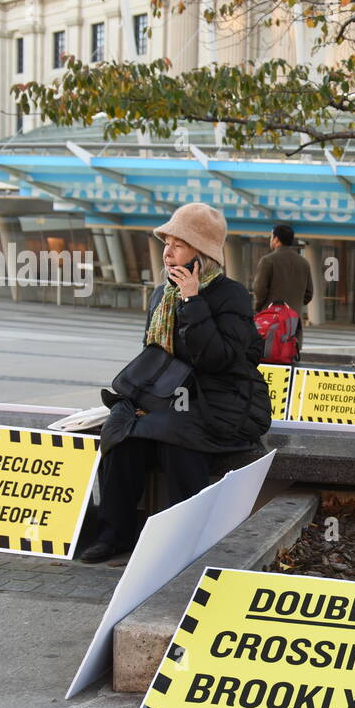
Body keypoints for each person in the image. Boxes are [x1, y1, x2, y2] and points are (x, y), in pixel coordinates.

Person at [81, 203, 272, 563]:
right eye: (166, 243)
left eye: (178, 245)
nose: (167, 252)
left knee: (177, 441)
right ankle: (115, 535)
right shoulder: (161, 294)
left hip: (222, 399)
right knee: (122, 436)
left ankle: (184, 541)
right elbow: (153, 353)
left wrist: (193, 301)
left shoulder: (229, 295)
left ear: (201, 256)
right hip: (168, 398)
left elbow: (219, 359)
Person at [252, 225, 314, 350]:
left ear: (276, 239)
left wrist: (259, 308)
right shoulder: (304, 263)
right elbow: (309, 294)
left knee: (267, 357)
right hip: (293, 322)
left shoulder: (268, 260)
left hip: (270, 321)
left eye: (271, 237)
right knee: (290, 355)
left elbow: (259, 289)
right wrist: (295, 305)